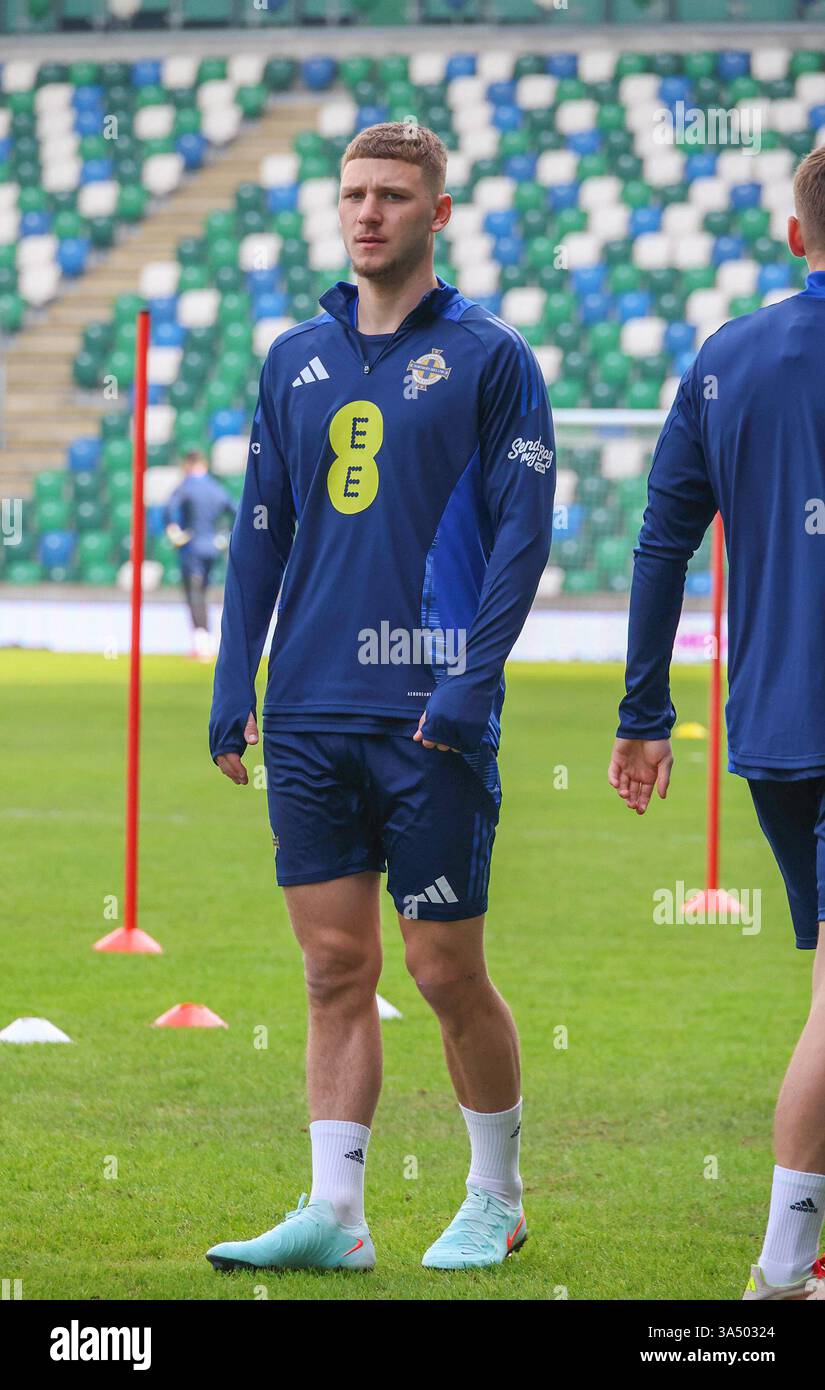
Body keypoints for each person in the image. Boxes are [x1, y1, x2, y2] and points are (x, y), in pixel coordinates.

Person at [206, 122, 555, 1273]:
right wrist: (231, 679)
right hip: (307, 706)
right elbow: (262, 533)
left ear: (437, 212)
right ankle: (335, 1212)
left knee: (445, 969)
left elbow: (521, 537)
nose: (368, 213)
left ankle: (495, 1195)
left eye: (394, 196)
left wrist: (473, 678)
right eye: (354, 193)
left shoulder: (492, 356)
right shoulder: (291, 357)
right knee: (331, 967)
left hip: (428, 711)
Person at [608, 145, 825, 1301]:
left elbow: (661, 542)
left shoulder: (726, 356)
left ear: (796, 235)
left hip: (776, 732)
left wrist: (646, 710)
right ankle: (782, 1265)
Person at [163, 449, 237, 660]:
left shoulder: (187, 486)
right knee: (204, 591)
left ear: (188, 465)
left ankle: (202, 641)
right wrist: (225, 536)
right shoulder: (216, 487)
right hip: (212, 547)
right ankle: (208, 640)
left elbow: (169, 508)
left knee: (194, 594)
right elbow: (235, 511)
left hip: (192, 546)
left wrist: (173, 530)